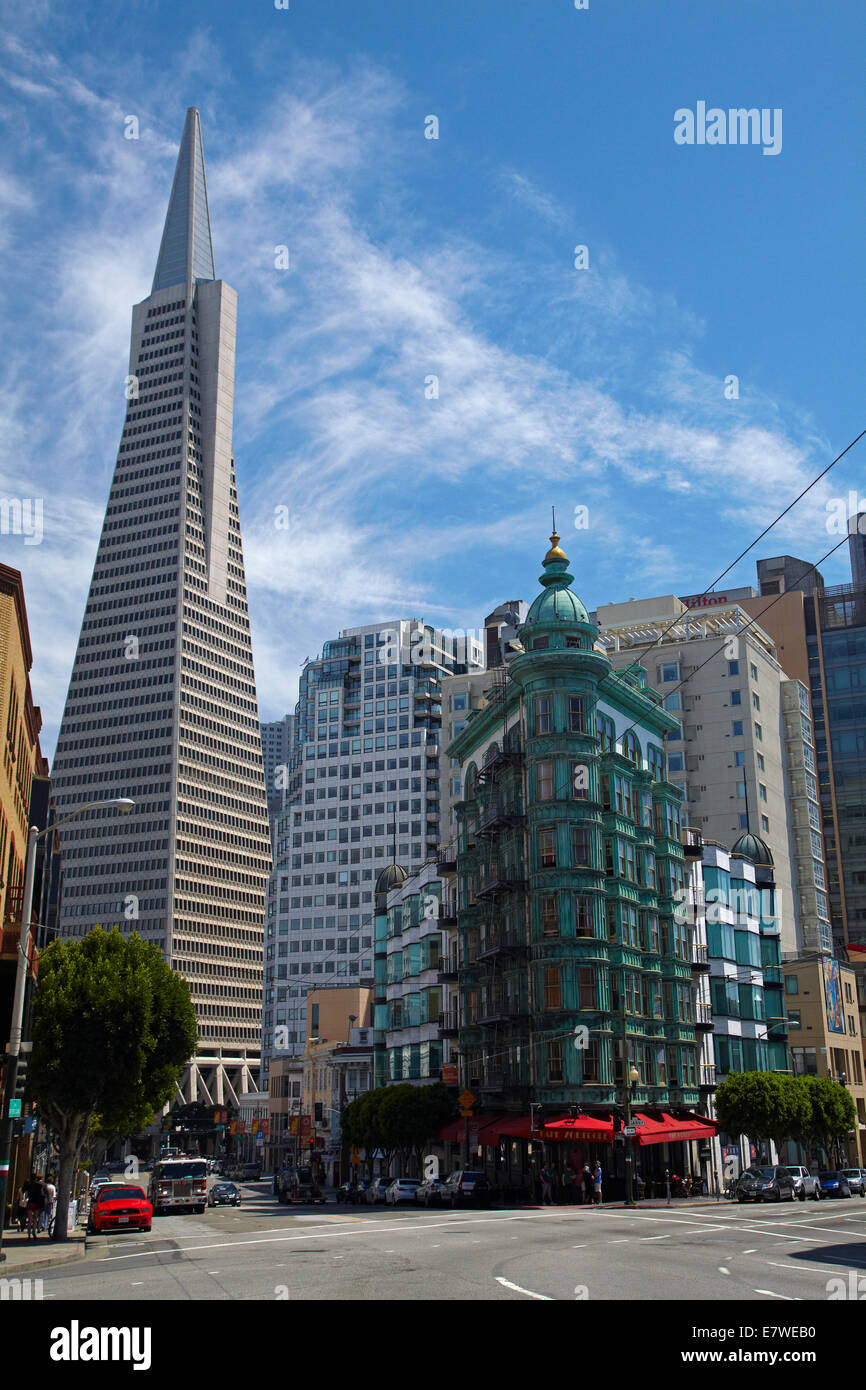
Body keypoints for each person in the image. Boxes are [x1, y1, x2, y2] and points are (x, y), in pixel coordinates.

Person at [24, 1173, 47, 1240]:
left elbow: (26, 1195)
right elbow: (42, 1194)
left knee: (29, 1219)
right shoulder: (39, 1186)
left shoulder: (29, 1185)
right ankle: (34, 1232)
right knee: (35, 1219)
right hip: (36, 1203)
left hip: (30, 1203)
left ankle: (29, 1234)